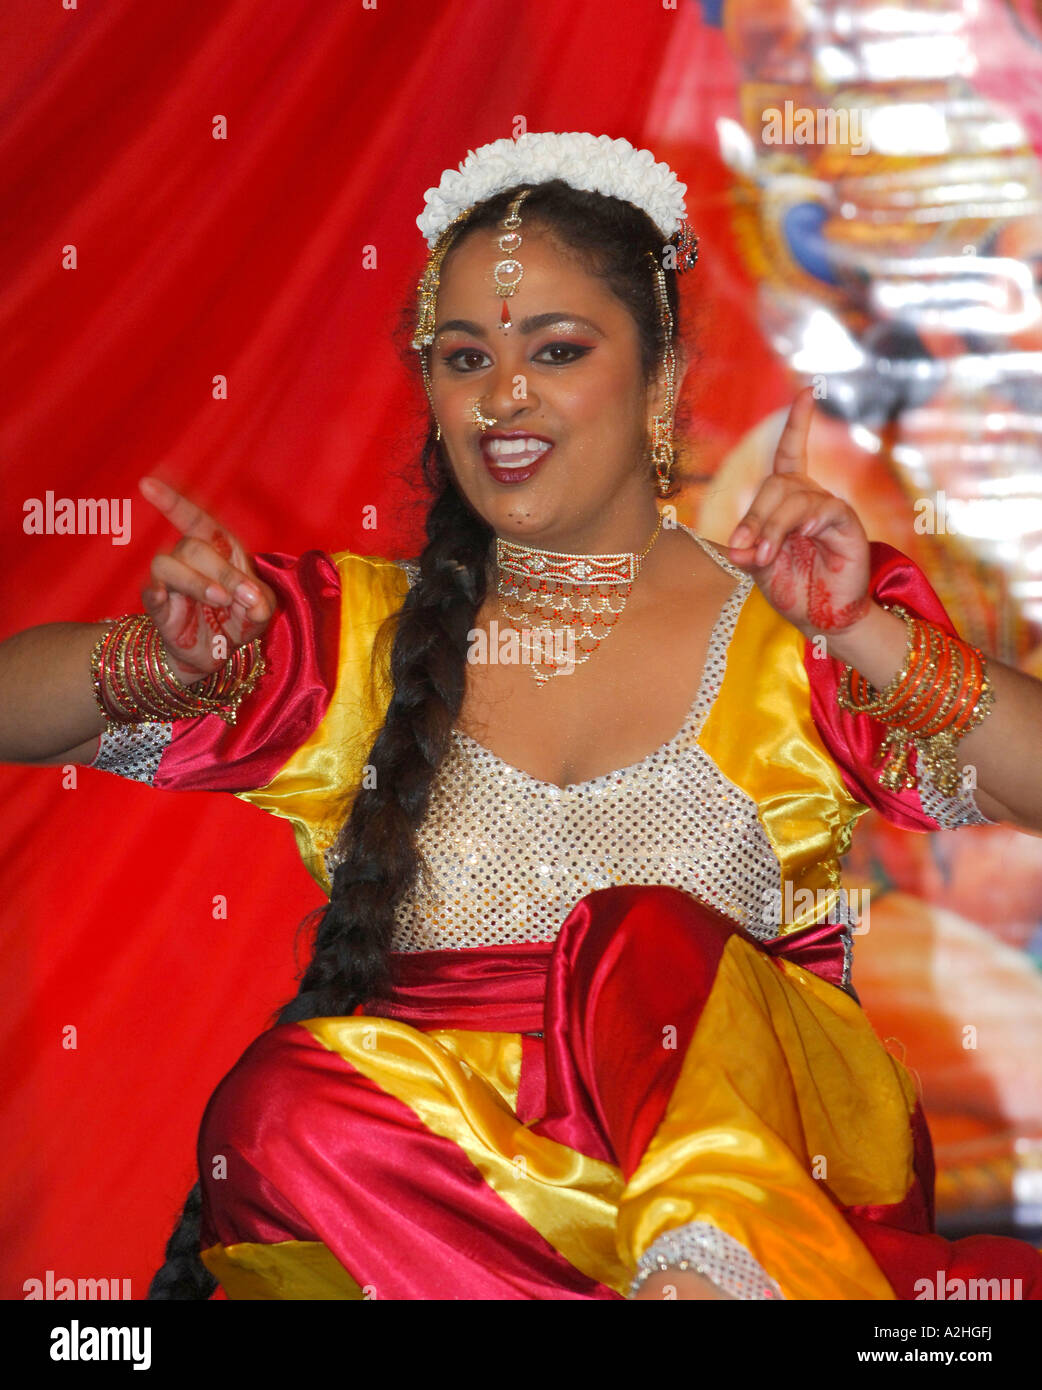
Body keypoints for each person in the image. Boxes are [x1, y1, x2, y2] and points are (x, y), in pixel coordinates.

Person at [3, 132, 1042, 1302]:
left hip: (769, 1196)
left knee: (640, 940)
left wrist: (861, 632)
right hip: (479, 1230)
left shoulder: (788, 630)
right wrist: (162, 664)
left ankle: (701, 1280)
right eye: (462, 358)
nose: (502, 395)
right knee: (282, 1101)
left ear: (657, 379)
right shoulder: (355, 637)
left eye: (553, 350)